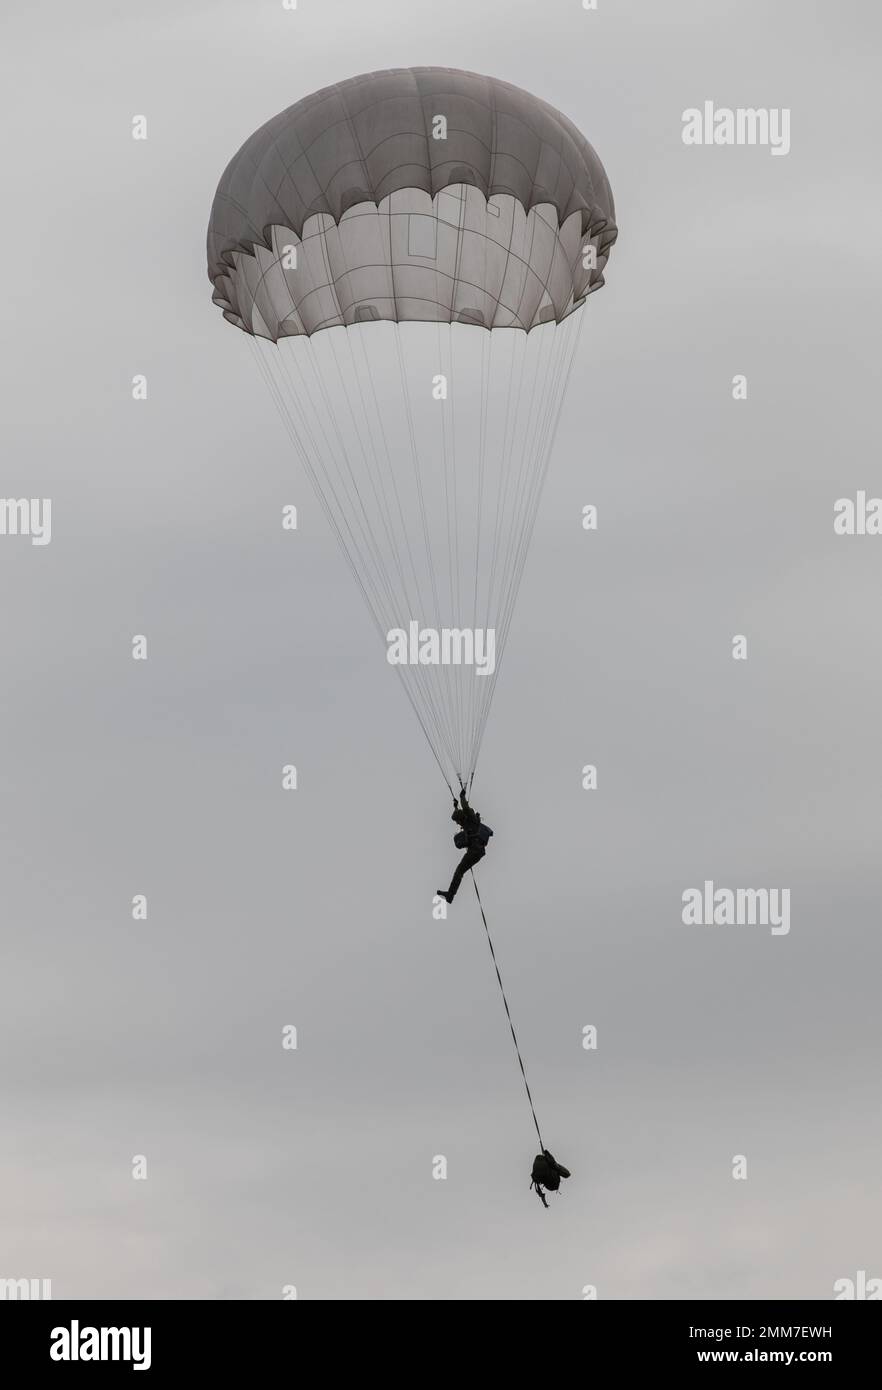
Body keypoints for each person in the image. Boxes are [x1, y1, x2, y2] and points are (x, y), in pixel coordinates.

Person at [436, 790, 493, 904]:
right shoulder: (467, 822)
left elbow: (465, 808)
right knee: (459, 871)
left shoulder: (470, 818)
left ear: (461, 818)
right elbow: (461, 812)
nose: (457, 823)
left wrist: (462, 797)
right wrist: (456, 806)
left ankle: (450, 895)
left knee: (459, 871)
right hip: (477, 851)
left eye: (457, 821)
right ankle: (450, 895)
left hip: (475, 850)